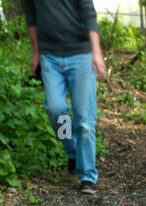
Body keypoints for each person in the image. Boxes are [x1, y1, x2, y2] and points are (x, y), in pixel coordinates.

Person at [25, 0, 106, 195]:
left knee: (84, 119)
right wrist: (36, 52)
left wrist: (96, 52)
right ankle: (71, 150)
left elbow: (88, 13)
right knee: (55, 109)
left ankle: (87, 175)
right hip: (49, 57)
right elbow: (31, 18)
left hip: (81, 55)